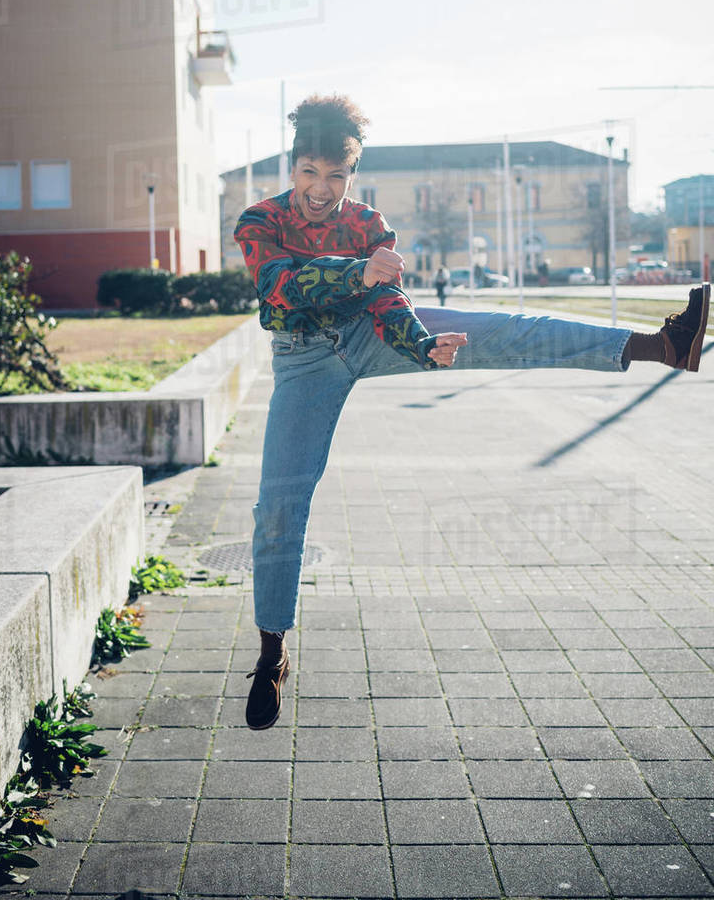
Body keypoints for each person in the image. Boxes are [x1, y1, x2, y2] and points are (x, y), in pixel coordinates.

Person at [234, 95, 710, 731]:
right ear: (293, 167)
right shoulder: (259, 220)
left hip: (371, 334)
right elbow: (280, 286)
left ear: (353, 171)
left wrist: (423, 346)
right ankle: (272, 654)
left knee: (503, 329)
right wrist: (358, 273)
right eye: (309, 173)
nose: (322, 190)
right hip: (303, 361)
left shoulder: (370, 222)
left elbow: (389, 301)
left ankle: (661, 345)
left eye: (337, 175)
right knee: (280, 502)